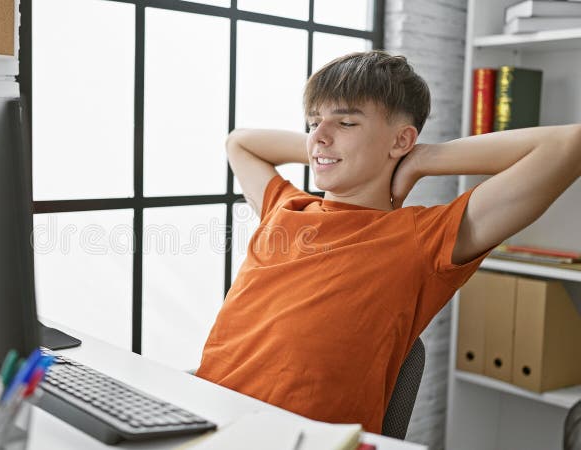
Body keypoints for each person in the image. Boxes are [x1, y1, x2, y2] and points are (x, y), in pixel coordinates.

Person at [195, 50, 581, 433]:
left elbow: (569, 144)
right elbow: (239, 142)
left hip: (301, 440)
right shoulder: (284, 206)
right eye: (312, 123)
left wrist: (418, 160)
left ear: (402, 140)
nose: (320, 135)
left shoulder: (422, 239)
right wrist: (329, 149)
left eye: (346, 122)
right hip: (202, 415)